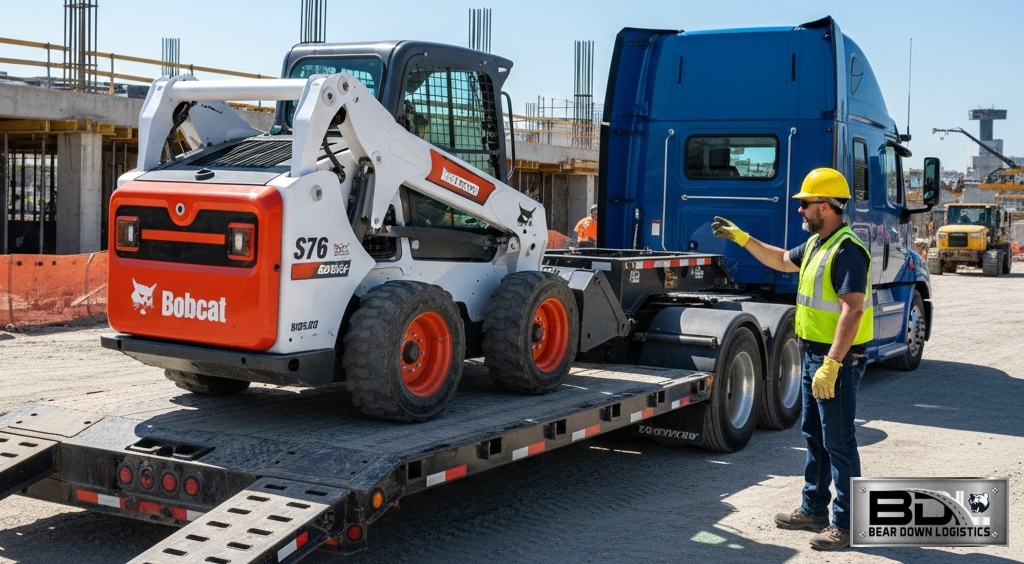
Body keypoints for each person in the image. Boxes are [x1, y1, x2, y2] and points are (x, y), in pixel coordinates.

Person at [711, 167, 872, 552]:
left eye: (806, 204)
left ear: (828, 206)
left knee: (839, 441)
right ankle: (813, 509)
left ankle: (847, 525)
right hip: (814, 353)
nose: (800, 210)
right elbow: (782, 260)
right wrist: (742, 238)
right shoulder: (819, 243)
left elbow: (852, 310)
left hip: (837, 359)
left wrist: (832, 362)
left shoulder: (847, 250)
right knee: (814, 436)